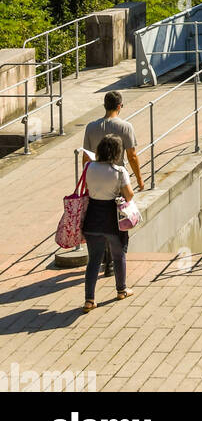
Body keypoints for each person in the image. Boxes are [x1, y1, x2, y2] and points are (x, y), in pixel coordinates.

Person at [83, 92, 144, 280]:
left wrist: (87, 179)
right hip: (117, 178)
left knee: (99, 217)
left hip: (95, 176)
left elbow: (86, 157)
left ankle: (104, 260)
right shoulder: (125, 127)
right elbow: (132, 156)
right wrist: (140, 180)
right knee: (116, 220)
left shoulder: (91, 127)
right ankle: (111, 263)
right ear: (120, 106)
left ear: (104, 105)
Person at [81, 134, 134, 312]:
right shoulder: (119, 171)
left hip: (93, 218)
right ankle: (121, 289)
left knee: (94, 260)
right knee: (118, 256)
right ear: (117, 152)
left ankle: (89, 300)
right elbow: (129, 195)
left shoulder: (88, 167)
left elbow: (87, 189)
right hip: (113, 220)